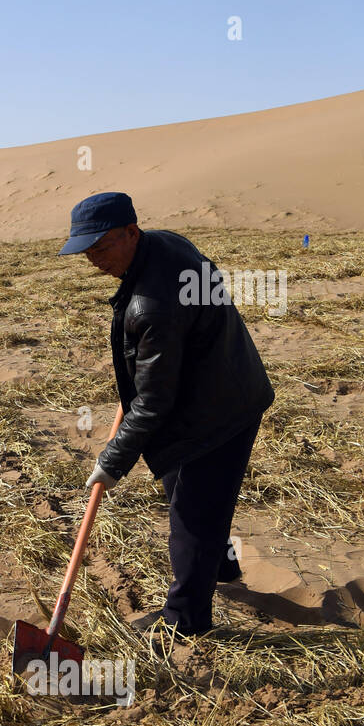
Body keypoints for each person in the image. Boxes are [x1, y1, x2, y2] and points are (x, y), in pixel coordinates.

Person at [58, 192, 274, 637]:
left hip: (219, 412)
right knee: (191, 493)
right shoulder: (163, 244)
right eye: (86, 251)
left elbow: (154, 402)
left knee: (191, 516)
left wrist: (112, 461)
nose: (93, 260)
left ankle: (186, 619)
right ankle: (220, 567)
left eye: (101, 247)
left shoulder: (152, 303)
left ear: (131, 232)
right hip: (214, 384)